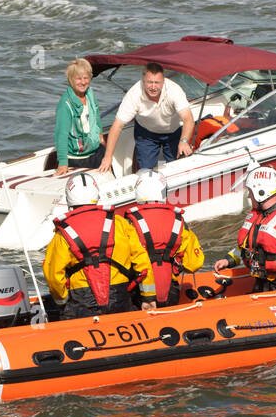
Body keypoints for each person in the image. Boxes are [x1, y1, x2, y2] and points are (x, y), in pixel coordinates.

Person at [44, 172, 157, 319]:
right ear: (97, 196)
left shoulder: (62, 233)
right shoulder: (120, 224)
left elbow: (53, 275)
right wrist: (148, 298)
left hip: (81, 300)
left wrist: (63, 302)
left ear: (69, 200)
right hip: (120, 296)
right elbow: (142, 261)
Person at [213, 166, 276, 291]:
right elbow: (246, 247)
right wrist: (229, 260)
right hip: (263, 280)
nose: (249, 196)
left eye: (250, 192)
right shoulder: (257, 215)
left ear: (261, 192)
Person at [119, 169, 204, 307]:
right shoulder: (178, 220)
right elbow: (195, 263)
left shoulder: (129, 221)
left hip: (139, 291)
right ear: (163, 191)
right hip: (170, 291)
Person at [97, 63, 195, 174]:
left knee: (177, 169)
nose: (153, 87)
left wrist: (184, 141)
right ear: (143, 81)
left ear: (163, 82)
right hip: (147, 135)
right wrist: (108, 157)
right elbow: (117, 126)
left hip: (173, 132)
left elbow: (188, 119)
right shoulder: (134, 94)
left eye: (157, 82)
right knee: (145, 171)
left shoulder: (174, 90)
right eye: (149, 82)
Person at [53, 58, 103, 175]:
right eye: (78, 78)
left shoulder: (90, 93)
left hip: (95, 152)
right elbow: (61, 135)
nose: (83, 82)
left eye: (86, 78)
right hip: (76, 159)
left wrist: (101, 137)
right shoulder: (65, 104)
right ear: (71, 80)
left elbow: (96, 117)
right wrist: (63, 162)